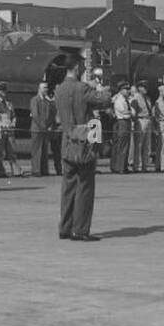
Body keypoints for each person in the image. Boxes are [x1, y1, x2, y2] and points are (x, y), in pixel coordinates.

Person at [55, 60, 110, 240]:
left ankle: (65, 227)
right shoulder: (82, 88)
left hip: (67, 140)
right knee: (85, 185)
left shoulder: (59, 89)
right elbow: (104, 100)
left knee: (68, 185)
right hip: (84, 140)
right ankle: (80, 230)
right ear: (77, 68)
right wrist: (100, 89)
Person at [28, 80, 57, 176]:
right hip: (37, 129)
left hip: (45, 129)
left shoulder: (47, 101)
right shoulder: (34, 100)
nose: (46, 89)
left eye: (47, 87)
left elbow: (51, 114)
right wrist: (43, 126)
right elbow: (35, 115)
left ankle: (44, 170)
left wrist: (49, 125)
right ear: (39, 89)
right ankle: (36, 170)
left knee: (44, 151)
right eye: (44, 88)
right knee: (36, 150)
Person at [129, 82, 153, 172]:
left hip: (148, 120)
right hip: (140, 120)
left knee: (147, 145)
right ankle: (137, 165)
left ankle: (145, 165)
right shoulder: (136, 98)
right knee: (138, 144)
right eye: (144, 87)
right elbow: (133, 111)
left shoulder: (147, 98)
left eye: (146, 87)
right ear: (139, 88)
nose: (146, 89)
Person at [110, 81, 133, 173]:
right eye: (126, 89)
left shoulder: (124, 99)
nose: (128, 91)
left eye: (128, 89)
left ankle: (121, 166)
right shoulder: (119, 100)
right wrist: (131, 113)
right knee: (122, 145)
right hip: (122, 121)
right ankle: (120, 167)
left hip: (125, 122)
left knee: (124, 145)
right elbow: (124, 112)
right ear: (121, 90)